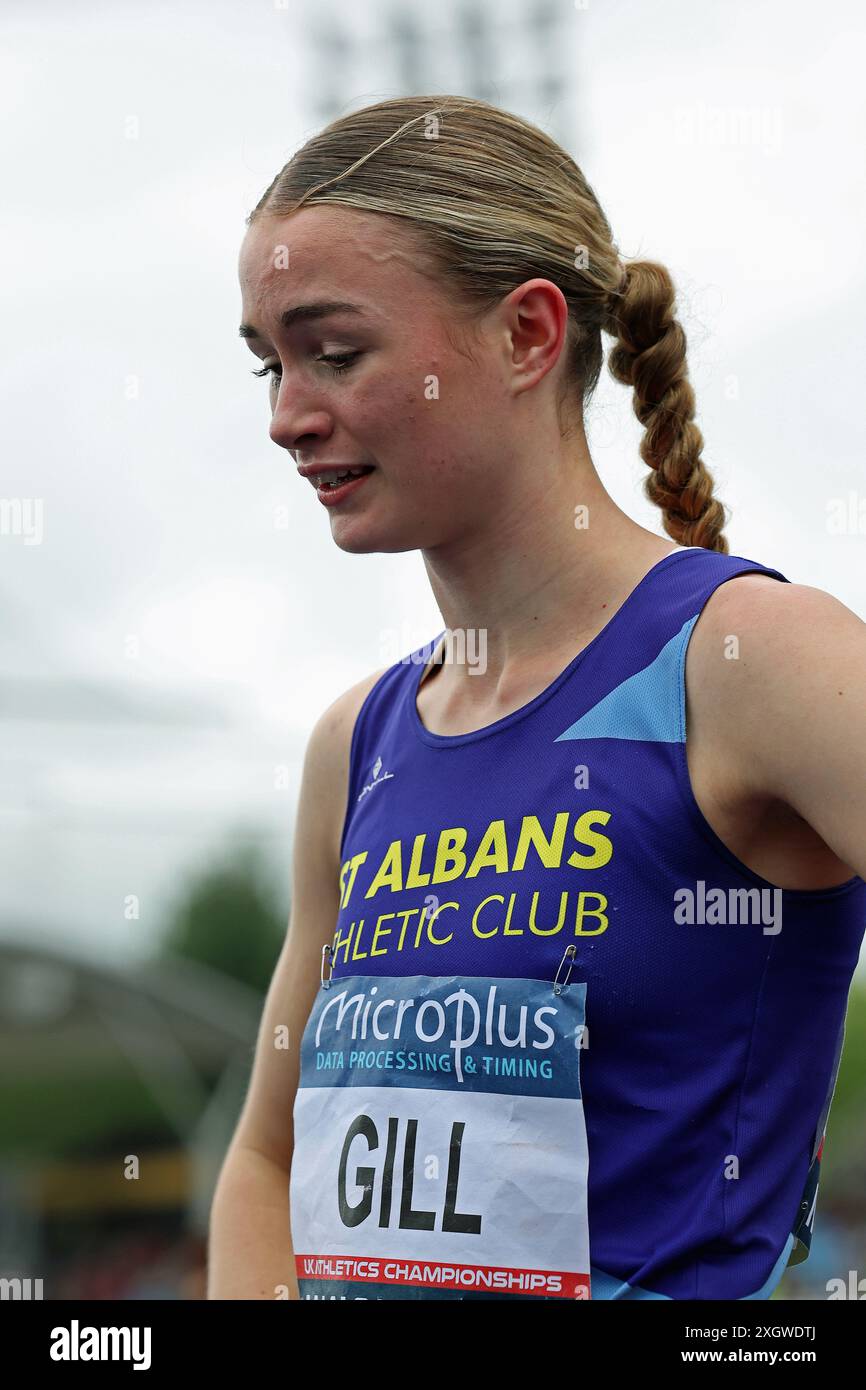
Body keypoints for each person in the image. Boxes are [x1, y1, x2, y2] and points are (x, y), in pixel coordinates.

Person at [208, 95, 866, 1301]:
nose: (285, 417)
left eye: (334, 352)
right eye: (269, 363)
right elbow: (264, 1156)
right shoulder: (356, 742)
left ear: (524, 335)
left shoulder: (757, 657)